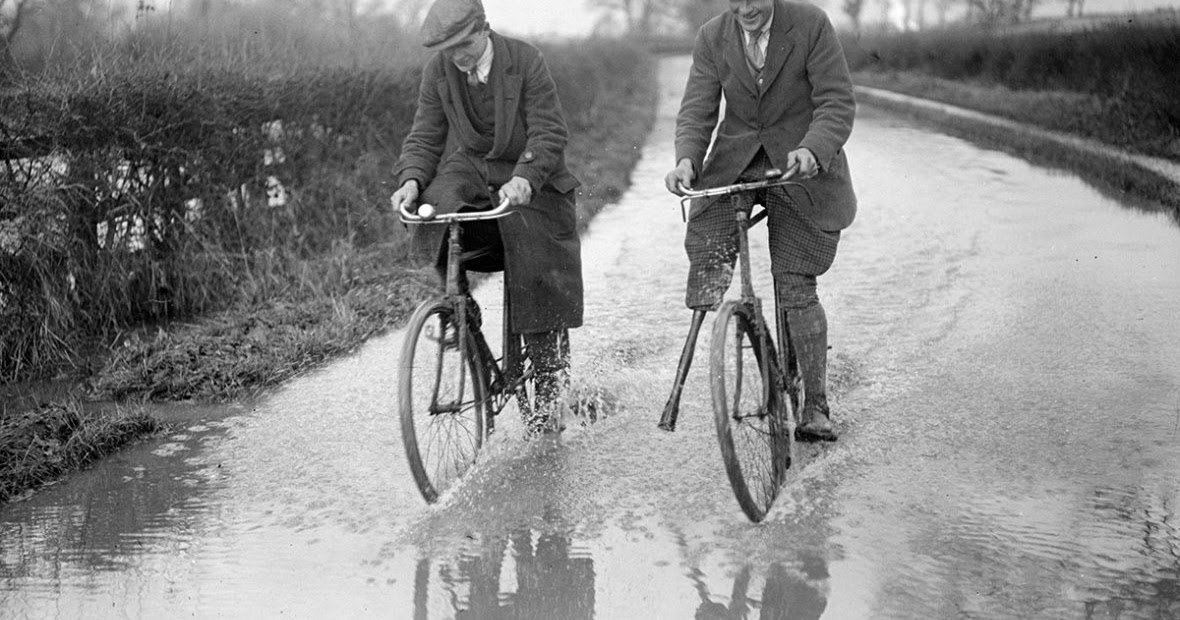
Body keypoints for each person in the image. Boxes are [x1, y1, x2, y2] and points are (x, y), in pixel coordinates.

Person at [664, 0, 857, 441]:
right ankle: (728, 322)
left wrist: (813, 149)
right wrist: (687, 160)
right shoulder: (713, 36)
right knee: (708, 256)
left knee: (795, 284)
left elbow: (836, 102)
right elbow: (697, 110)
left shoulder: (810, 24)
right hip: (737, 162)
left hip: (800, 163)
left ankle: (815, 405)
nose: (746, 8)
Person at [390, 0, 583, 433]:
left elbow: (549, 131)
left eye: (464, 45)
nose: (458, 56)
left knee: (533, 260)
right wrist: (411, 180)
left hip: (533, 178)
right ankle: (457, 307)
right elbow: (425, 134)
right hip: (475, 170)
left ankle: (548, 386)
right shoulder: (440, 72)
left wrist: (526, 177)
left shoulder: (526, 60)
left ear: (484, 29)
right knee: (430, 212)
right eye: (449, 49)